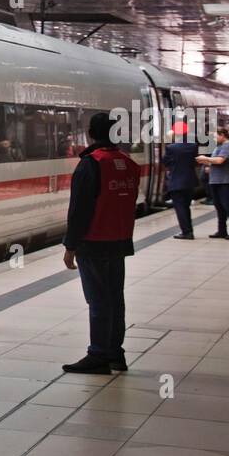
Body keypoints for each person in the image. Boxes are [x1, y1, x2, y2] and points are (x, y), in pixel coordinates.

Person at [62, 111, 140, 375]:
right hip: (119, 241)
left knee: (97, 300)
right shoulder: (127, 162)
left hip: (93, 242)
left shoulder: (91, 163)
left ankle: (98, 354)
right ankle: (116, 353)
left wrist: (70, 246)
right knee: (115, 298)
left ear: (91, 134)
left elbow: (79, 211)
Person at [196, 127, 229, 239]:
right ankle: (222, 230)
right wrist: (209, 165)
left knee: (227, 205)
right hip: (216, 180)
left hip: (225, 181)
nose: (214, 139)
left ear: (222, 135)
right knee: (219, 206)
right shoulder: (220, 146)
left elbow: (220, 160)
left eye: (215, 136)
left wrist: (206, 158)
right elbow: (217, 162)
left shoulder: (228, 145)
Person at [163, 121, 198, 238]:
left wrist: (169, 140)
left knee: (180, 208)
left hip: (176, 182)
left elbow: (165, 161)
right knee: (186, 207)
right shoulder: (193, 146)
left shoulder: (171, 147)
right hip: (190, 181)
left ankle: (186, 232)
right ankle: (189, 230)